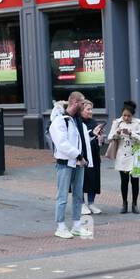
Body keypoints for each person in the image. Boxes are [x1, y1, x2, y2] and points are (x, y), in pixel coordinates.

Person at [48, 91, 94, 238]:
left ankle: (76, 225)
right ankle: (60, 227)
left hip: (78, 163)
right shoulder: (60, 120)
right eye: (82, 103)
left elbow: (81, 139)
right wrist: (79, 155)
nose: (84, 105)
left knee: (78, 196)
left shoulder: (75, 120)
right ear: (74, 102)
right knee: (62, 196)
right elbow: (62, 144)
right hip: (65, 163)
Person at [107, 100, 140, 213]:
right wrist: (117, 134)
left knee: (135, 181)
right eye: (124, 115)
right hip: (122, 157)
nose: (126, 118)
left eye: (128, 116)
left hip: (134, 156)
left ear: (132, 115)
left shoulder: (138, 124)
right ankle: (124, 203)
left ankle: (135, 204)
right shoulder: (117, 123)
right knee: (124, 181)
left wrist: (131, 134)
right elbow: (109, 137)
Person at [80, 100, 105, 216]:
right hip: (82, 156)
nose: (91, 112)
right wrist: (91, 134)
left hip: (94, 156)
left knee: (94, 179)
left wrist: (100, 139)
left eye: (91, 109)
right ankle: (81, 204)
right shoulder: (77, 123)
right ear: (81, 110)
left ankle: (91, 203)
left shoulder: (93, 122)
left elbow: (99, 141)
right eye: (88, 109)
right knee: (81, 180)